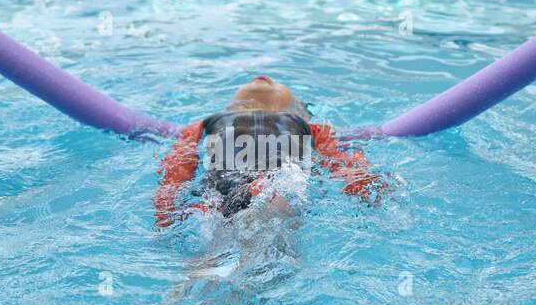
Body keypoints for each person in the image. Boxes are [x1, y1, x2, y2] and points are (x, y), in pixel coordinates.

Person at [154, 75, 386, 227]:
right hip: (270, 185)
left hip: (234, 193)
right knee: (271, 212)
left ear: (300, 111)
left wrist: (166, 212)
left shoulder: (312, 127)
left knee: (225, 234)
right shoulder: (204, 123)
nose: (262, 78)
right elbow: (343, 163)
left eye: (276, 83)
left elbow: (176, 167)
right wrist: (366, 186)